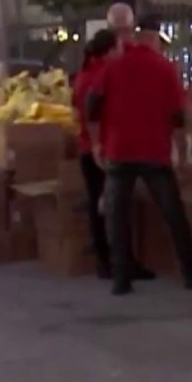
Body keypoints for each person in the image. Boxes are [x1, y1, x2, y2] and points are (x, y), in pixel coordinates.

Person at [86, 14, 192, 296]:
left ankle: (121, 278)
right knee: (173, 213)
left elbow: (92, 105)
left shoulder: (113, 66)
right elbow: (177, 116)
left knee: (116, 216)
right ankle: (191, 271)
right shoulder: (164, 67)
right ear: (155, 37)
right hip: (154, 151)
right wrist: (181, 153)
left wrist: (97, 143)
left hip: (119, 150)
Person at [72, 29, 120, 281]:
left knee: (96, 203)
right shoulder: (101, 76)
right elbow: (95, 113)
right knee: (106, 206)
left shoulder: (84, 74)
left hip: (86, 147)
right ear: (110, 50)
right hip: (98, 147)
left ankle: (104, 259)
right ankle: (108, 260)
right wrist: (98, 146)